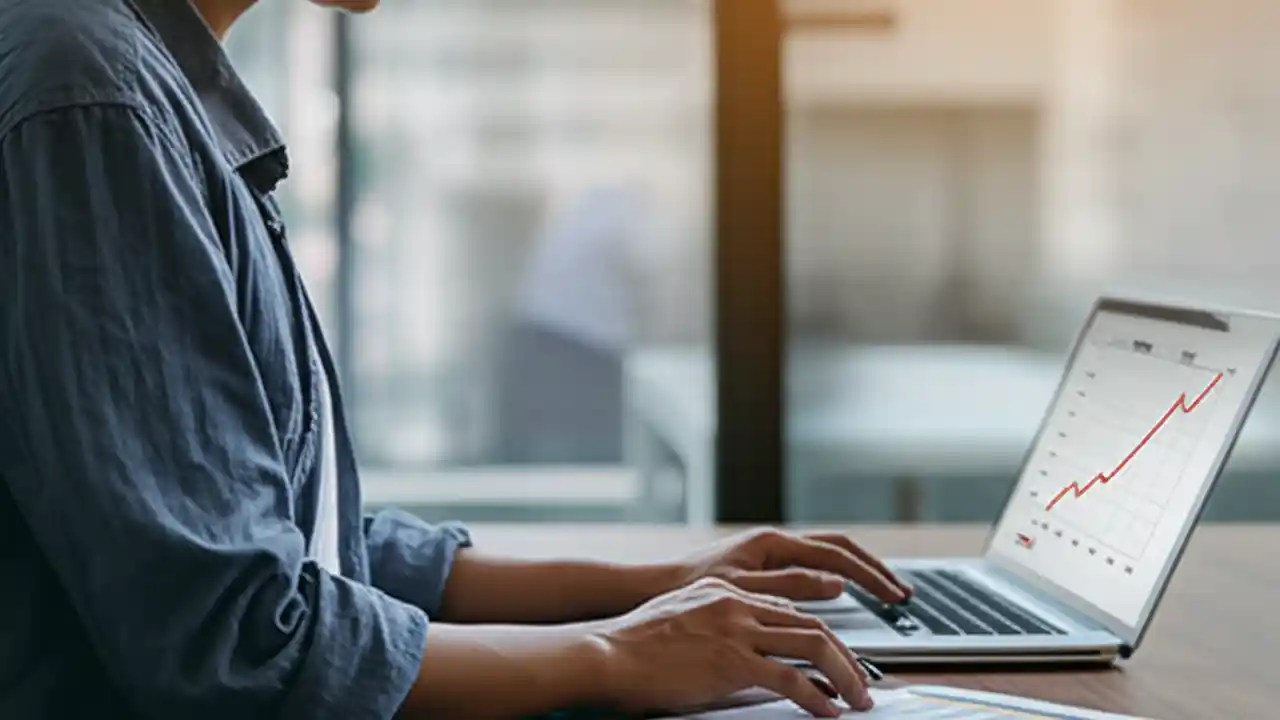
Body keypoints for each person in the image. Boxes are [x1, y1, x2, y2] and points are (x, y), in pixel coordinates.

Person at [0, 0, 912, 718]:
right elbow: (239, 642)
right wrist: (614, 654)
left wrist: (657, 588)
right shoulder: (94, 97)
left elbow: (310, 550)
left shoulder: (141, 79)